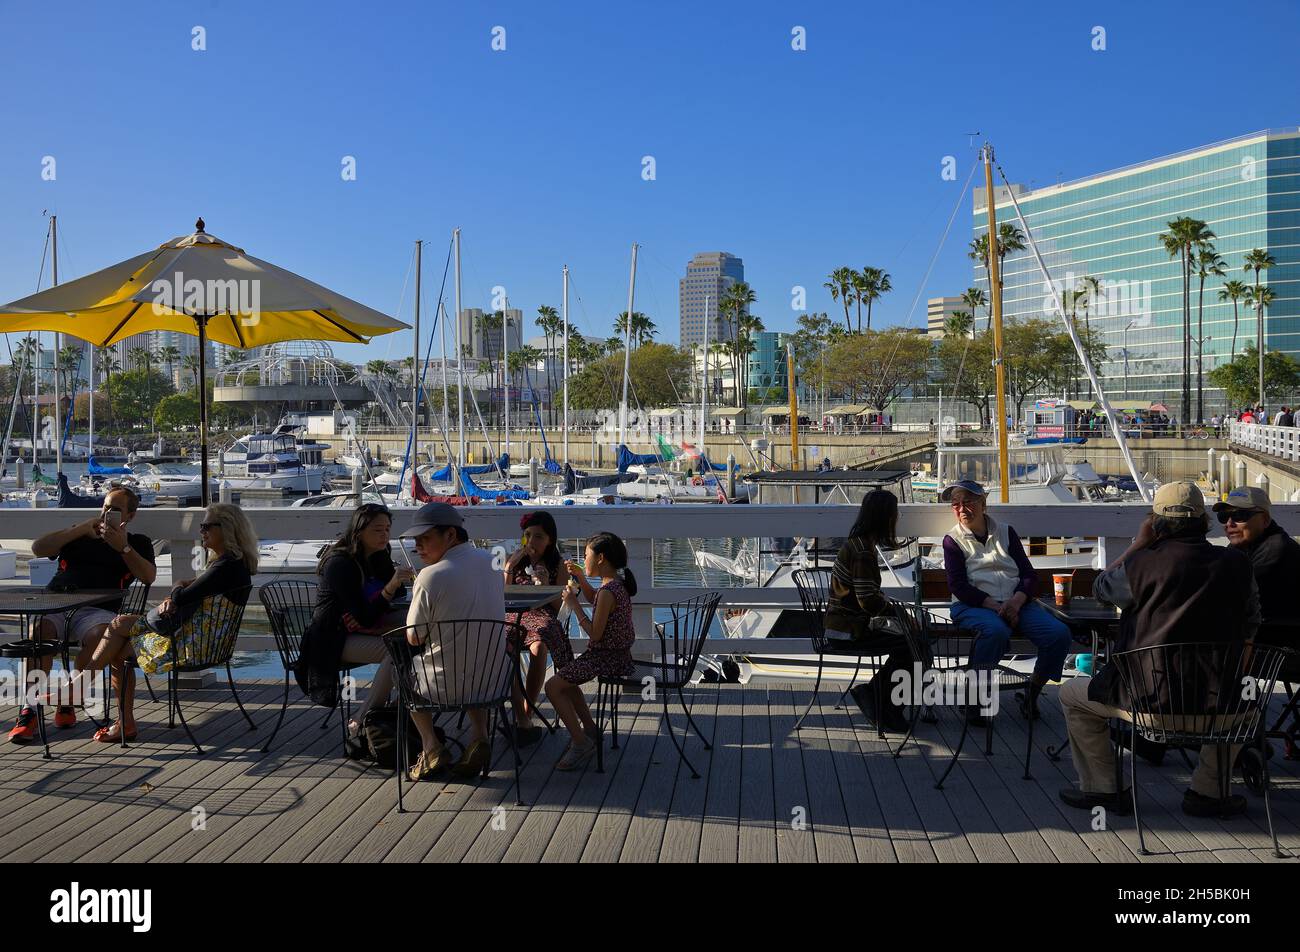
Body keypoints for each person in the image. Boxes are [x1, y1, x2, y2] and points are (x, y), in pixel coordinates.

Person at [1058, 482, 1259, 818]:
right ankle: (1208, 791)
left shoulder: (1142, 566)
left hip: (1149, 705)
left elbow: (1100, 588)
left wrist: (1139, 544)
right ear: (1203, 520)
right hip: (1223, 706)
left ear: (1156, 521)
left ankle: (1103, 790)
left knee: (1071, 696)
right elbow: (1252, 622)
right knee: (1251, 700)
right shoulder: (1237, 563)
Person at [58, 504, 257, 743]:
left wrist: (174, 594)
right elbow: (185, 585)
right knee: (119, 629)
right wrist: (176, 593)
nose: (201, 531)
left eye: (206, 526)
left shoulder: (224, 567)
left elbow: (183, 593)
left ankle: (111, 712)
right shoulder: (234, 564)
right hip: (202, 642)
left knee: (118, 643)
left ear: (226, 529)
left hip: (187, 647)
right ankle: (92, 695)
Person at [10, 486, 157, 744]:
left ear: (130, 515)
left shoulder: (137, 542)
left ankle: (69, 697)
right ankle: (30, 711)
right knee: (38, 632)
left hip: (98, 610)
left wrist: (123, 548)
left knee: (101, 636)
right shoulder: (80, 535)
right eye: (105, 506)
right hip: (57, 602)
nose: (107, 512)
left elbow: (148, 576)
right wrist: (80, 530)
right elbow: (38, 548)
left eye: (115, 509)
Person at [940, 479, 1071, 720]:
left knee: (1058, 634)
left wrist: (1017, 601)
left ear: (983, 504)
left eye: (968, 502)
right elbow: (957, 585)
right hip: (972, 605)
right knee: (995, 631)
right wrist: (995, 605)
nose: (961, 509)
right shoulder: (952, 540)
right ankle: (975, 699)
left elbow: (1029, 575)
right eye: (955, 504)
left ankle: (1032, 692)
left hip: (1017, 604)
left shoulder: (1006, 532)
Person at [398, 501, 505, 781]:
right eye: (416, 541)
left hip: (444, 686)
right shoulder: (492, 563)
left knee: (404, 676)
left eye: (425, 539)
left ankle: (431, 747)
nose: (419, 547)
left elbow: (413, 636)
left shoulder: (430, 576)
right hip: (493, 681)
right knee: (472, 653)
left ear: (450, 535)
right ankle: (479, 736)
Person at [298, 504, 416, 743]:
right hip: (332, 638)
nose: (384, 535)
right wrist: (389, 586)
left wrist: (391, 582)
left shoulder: (377, 555)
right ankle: (362, 719)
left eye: (387, 529)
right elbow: (367, 615)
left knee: (420, 624)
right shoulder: (340, 564)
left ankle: (400, 704)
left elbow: (399, 593)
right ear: (359, 532)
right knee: (397, 650)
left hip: (364, 624)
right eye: (377, 530)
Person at [545, 532, 638, 770]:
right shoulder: (615, 585)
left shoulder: (609, 591)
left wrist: (575, 606)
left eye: (586, 555)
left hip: (606, 658)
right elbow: (596, 599)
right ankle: (590, 730)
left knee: (552, 686)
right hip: (617, 655)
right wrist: (581, 578)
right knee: (566, 675)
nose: (582, 560)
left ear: (600, 558)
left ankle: (580, 742)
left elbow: (595, 634)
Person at [824, 490, 915, 731]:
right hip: (848, 629)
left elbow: (866, 597)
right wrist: (899, 613)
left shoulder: (859, 544)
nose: (897, 519)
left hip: (842, 624)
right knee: (912, 646)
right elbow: (867, 600)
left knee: (909, 646)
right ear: (885, 518)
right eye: (895, 514)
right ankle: (886, 705)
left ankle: (877, 697)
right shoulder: (864, 551)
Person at [504, 510, 569, 745]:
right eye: (528, 535)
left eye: (539, 536)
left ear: (550, 539)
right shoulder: (514, 559)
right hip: (513, 615)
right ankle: (521, 718)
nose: (532, 541)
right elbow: (502, 595)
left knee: (539, 647)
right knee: (504, 651)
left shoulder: (557, 564)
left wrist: (545, 584)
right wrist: (510, 566)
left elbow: (559, 604)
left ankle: (527, 711)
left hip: (542, 615)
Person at [1215, 486, 1300, 638]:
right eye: (1223, 516)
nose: (1229, 523)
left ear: (1265, 520)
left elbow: (1233, 592)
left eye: (1240, 515)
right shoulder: (1244, 544)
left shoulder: (1275, 549)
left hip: (1277, 645)